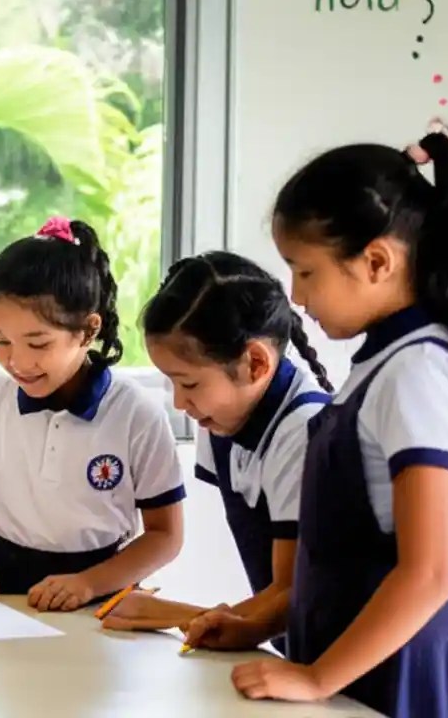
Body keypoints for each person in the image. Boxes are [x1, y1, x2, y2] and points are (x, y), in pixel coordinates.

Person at [230, 125, 448, 718]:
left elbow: (430, 572)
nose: (295, 295)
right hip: (357, 677)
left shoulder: (418, 372)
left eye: (305, 270)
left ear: (375, 261)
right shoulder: (383, 363)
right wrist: (258, 631)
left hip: (400, 687)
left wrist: (319, 677)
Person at [0, 217, 186, 612]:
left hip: (102, 588)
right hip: (0, 585)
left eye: (37, 343)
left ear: (88, 331)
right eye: (1, 340)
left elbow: (165, 535)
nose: (16, 361)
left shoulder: (136, 413)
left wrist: (89, 584)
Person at [102, 251, 331, 655]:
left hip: (359, 669)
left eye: (188, 384)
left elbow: (293, 589)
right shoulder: (222, 418)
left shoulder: (305, 432)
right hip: (299, 651)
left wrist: (178, 616)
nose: (179, 403)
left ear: (255, 363)